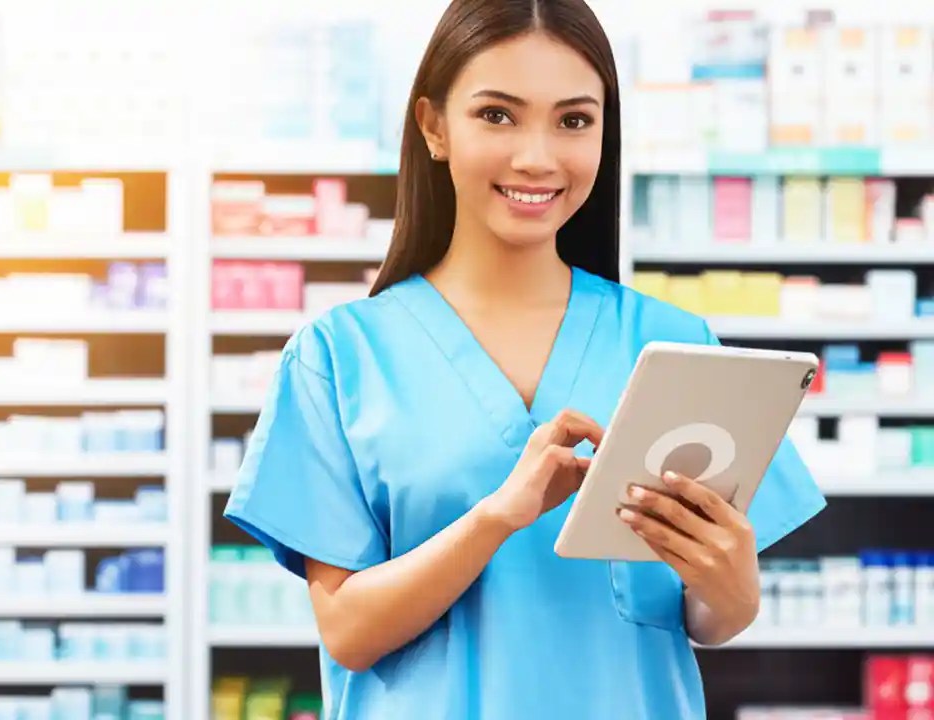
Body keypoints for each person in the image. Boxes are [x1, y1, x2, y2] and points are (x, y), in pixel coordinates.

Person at [223, 0, 825, 717]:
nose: (537, 156)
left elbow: (706, 618)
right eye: (497, 115)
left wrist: (732, 587)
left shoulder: (675, 346)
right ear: (434, 127)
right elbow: (349, 632)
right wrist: (498, 517)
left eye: (574, 121)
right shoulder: (338, 357)